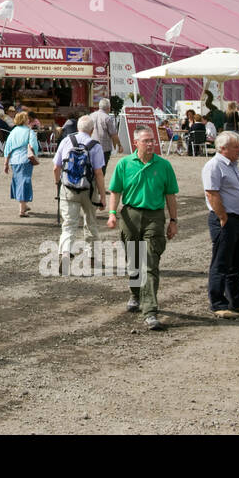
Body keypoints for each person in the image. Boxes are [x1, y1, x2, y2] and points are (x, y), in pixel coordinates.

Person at [106, 127, 179, 330]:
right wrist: (112, 214)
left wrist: (173, 221)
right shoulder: (124, 164)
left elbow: (170, 196)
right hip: (130, 215)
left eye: (152, 141)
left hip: (154, 217)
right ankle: (135, 293)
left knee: (150, 262)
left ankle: (150, 311)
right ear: (136, 142)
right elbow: (115, 191)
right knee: (134, 260)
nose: (150, 144)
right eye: (146, 141)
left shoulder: (164, 165)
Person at [203, 130, 239, 319]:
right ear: (223, 148)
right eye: (236, 147)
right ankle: (218, 303)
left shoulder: (233, 165)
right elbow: (212, 193)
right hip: (225, 220)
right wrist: (223, 217)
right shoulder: (214, 166)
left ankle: (238, 302)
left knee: (236, 264)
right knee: (221, 262)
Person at [53, 115, 107, 273]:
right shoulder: (95, 146)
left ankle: (65, 253)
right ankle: (93, 259)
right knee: (91, 223)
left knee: (69, 224)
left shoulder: (66, 141)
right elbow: (98, 173)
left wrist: (58, 184)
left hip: (68, 188)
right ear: (92, 130)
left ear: (77, 128)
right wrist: (102, 196)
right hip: (89, 190)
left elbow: (56, 167)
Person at [3, 111, 40, 218]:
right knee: (24, 182)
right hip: (25, 159)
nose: (29, 120)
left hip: (14, 160)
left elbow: (7, 148)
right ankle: (22, 209)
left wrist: (6, 163)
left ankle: (24, 204)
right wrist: (35, 155)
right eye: (27, 118)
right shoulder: (29, 132)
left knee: (18, 181)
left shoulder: (13, 132)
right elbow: (34, 146)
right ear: (24, 120)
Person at [87, 99, 122, 207]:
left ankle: (91, 186)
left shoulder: (91, 115)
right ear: (108, 107)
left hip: (90, 146)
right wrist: (119, 145)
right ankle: (97, 189)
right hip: (104, 148)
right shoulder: (107, 118)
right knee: (101, 170)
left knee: (90, 167)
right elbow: (113, 134)